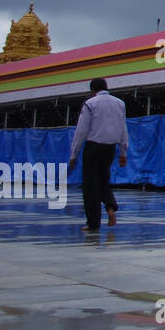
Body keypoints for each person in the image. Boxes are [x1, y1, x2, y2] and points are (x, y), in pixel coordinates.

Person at [68, 77, 129, 232]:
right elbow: (123, 128)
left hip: (93, 146)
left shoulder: (90, 104)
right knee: (104, 180)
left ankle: (93, 223)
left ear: (93, 90)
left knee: (90, 186)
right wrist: (123, 152)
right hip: (110, 148)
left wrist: (74, 154)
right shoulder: (120, 104)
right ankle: (110, 208)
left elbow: (81, 131)